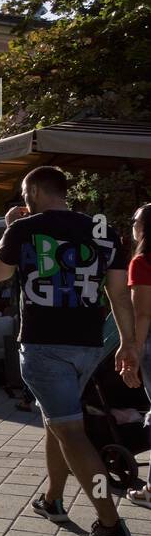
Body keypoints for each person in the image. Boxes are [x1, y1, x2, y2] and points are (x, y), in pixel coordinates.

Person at [0, 166, 138, 536]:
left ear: (35, 191)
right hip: (89, 345)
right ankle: (53, 500)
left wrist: (10, 228)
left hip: (44, 345)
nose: (23, 201)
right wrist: (128, 344)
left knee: (71, 431)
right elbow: (119, 295)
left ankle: (110, 523)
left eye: (24, 194)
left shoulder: (23, 229)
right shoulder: (102, 231)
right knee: (57, 419)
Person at [122, 202, 151, 510]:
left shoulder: (142, 261)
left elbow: (142, 313)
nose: (132, 225)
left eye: (135, 220)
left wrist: (133, 352)